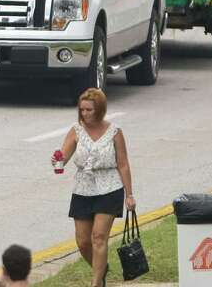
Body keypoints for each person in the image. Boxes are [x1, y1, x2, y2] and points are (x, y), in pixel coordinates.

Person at [52, 88, 136, 287]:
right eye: (82, 110)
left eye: (89, 110)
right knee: (83, 241)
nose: (85, 114)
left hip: (109, 187)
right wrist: (58, 160)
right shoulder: (76, 130)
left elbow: (123, 164)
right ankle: (101, 268)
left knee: (99, 237)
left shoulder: (115, 132)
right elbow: (63, 156)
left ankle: (96, 283)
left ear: (99, 110)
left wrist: (129, 195)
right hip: (83, 188)